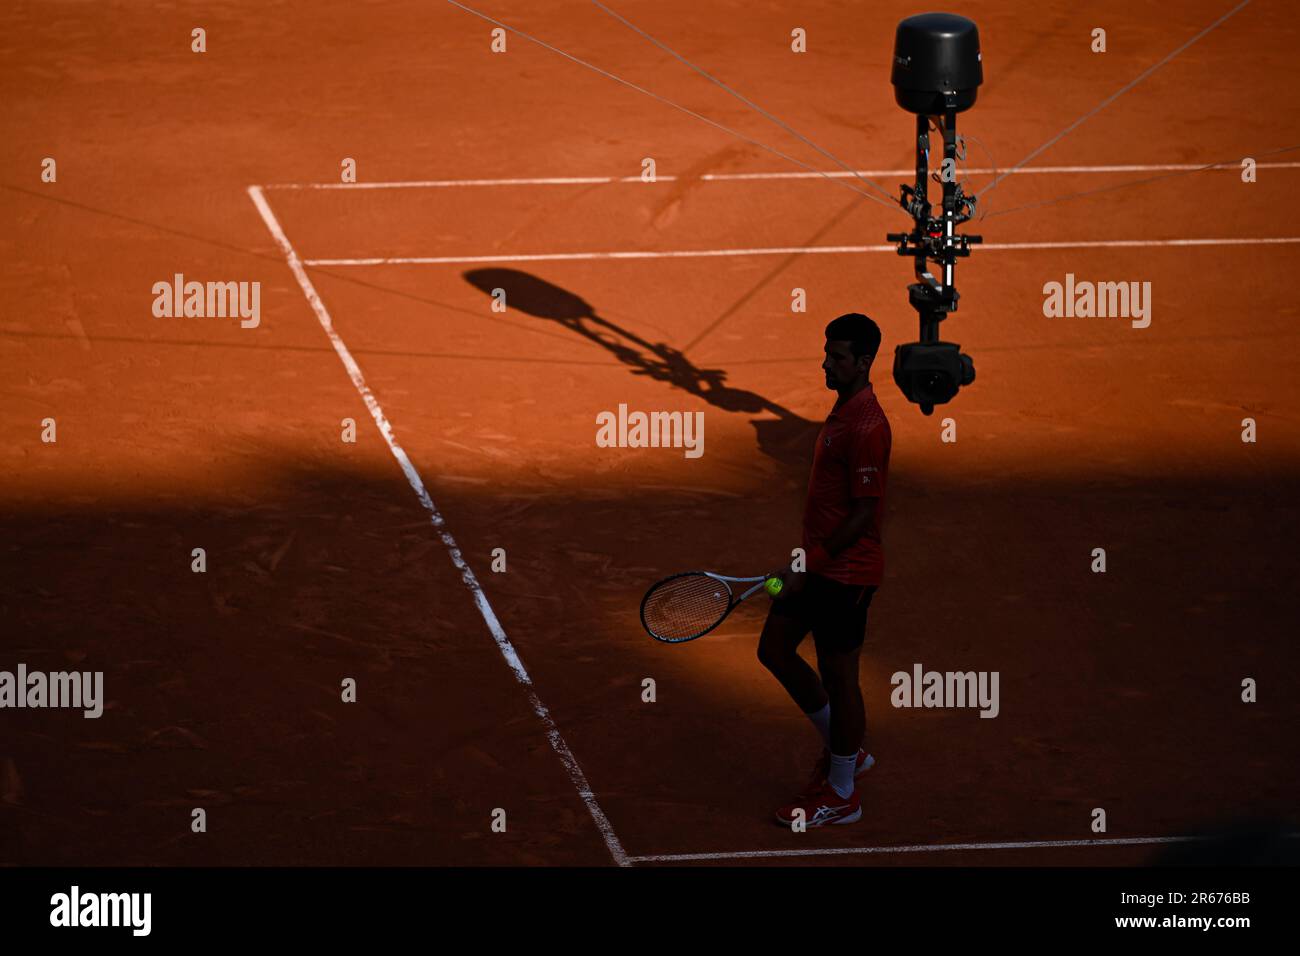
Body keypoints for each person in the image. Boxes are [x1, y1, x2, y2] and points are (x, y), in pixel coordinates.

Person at [758, 313, 892, 826]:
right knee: (773, 649)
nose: (826, 364)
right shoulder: (844, 412)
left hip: (847, 575)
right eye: (827, 353)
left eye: (838, 357)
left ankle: (842, 793)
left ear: (863, 363)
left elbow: (863, 514)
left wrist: (804, 564)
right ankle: (848, 753)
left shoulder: (866, 427)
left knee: (841, 677)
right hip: (816, 566)